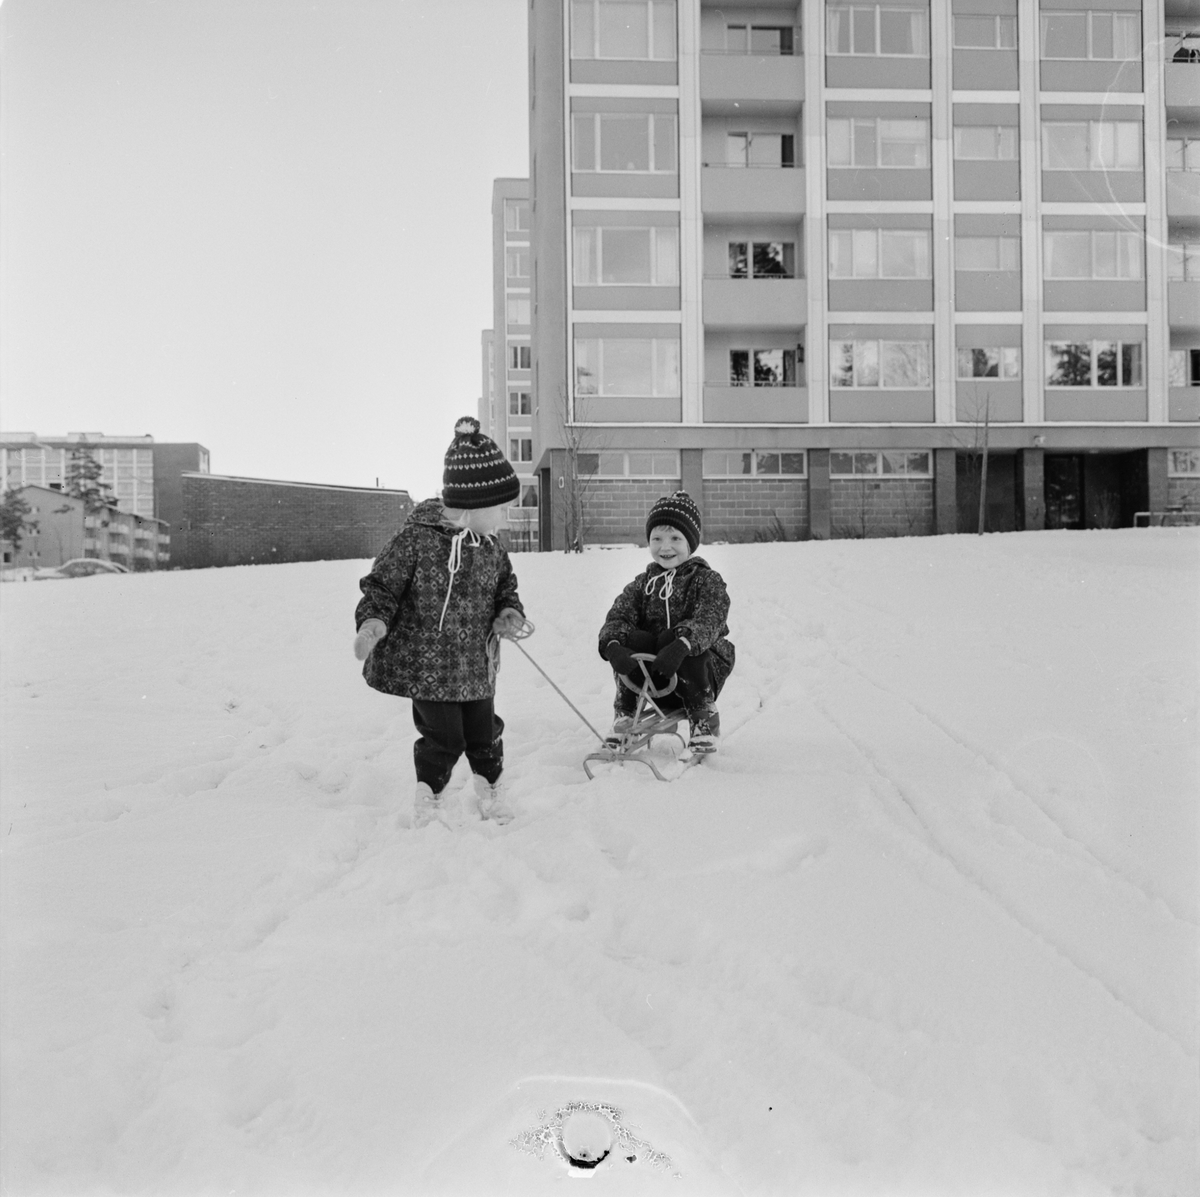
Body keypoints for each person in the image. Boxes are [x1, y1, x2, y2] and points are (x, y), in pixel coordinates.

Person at [354, 417, 526, 828]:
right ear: (472, 505)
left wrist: (509, 611)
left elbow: (505, 586)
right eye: (499, 509)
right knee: (444, 737)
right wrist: (373, 620)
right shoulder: (415, 540)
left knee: (485, 733)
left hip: (475, 665)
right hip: (428, 666)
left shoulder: (491, 548)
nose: (503, 518)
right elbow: (383, 584)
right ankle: (429, 796)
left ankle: (491, 787)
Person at [597, 491, 735, 754]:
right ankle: (625, 714)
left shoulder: (706, 580)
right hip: (653, 676)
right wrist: (612, 645)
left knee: (679, 641)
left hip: (698, 673)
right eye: (657, 539)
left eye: (675, 538)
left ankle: (703, 717)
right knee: (633, 639)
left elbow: (711, 617)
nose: (665, 547)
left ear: (690, 542)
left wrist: (682, 644)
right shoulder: (642, 584)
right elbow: (618, 616)